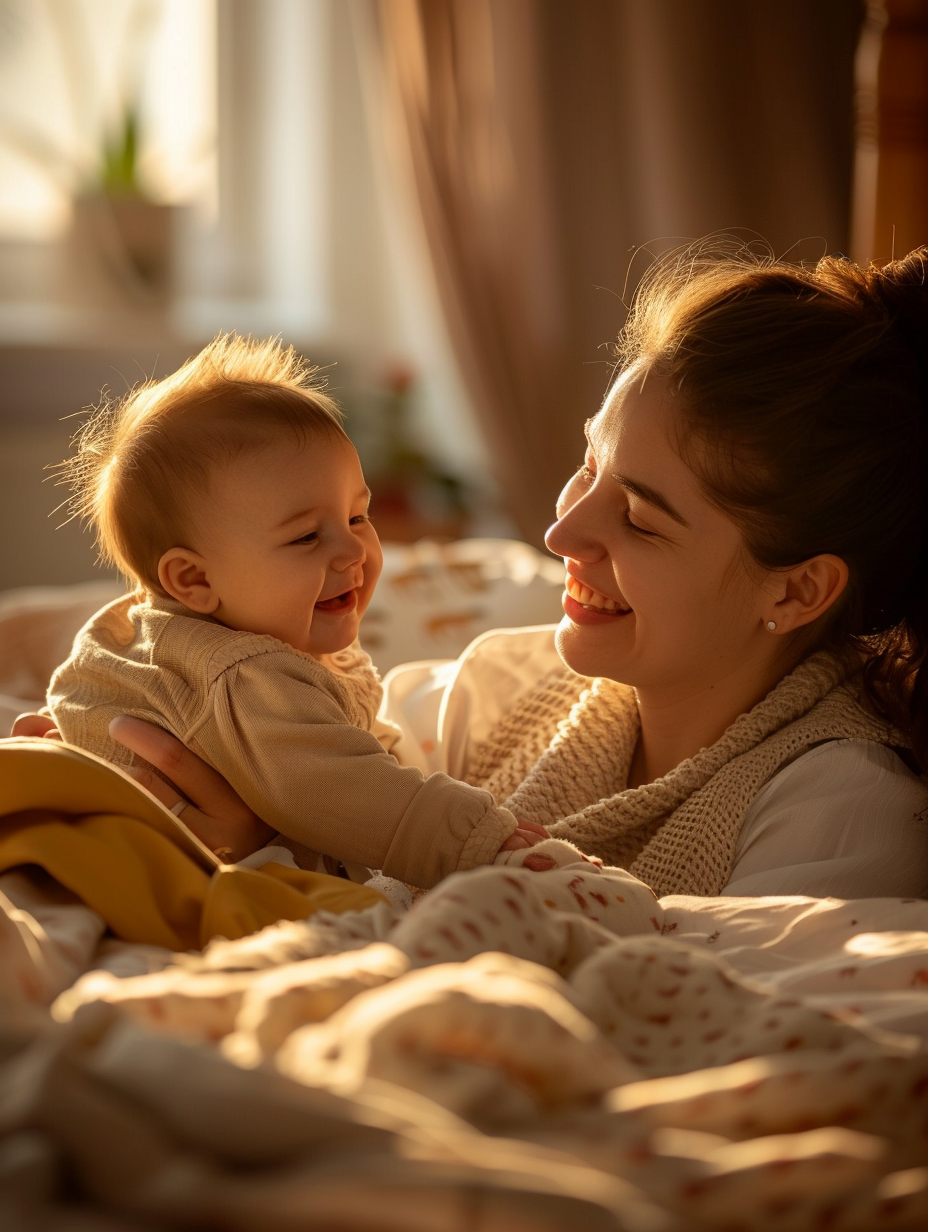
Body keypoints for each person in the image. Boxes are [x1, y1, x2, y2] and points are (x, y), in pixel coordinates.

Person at [22, 241, 928, 899]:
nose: (562, 529)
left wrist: (266, 858)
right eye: (587, 467)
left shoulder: (839, 813)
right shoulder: (504, 693)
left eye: (643, 520)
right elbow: (335, 759)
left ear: (797, 588)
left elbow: (693, 1017)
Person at [43, 334, 541, 884]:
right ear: (193, 580)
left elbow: (363, 756)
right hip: (118, 862)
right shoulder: (244, 674)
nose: (354, 549)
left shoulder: (244, 641)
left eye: (357, 517)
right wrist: (476, 837)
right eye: (307, 537)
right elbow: (344, 788)